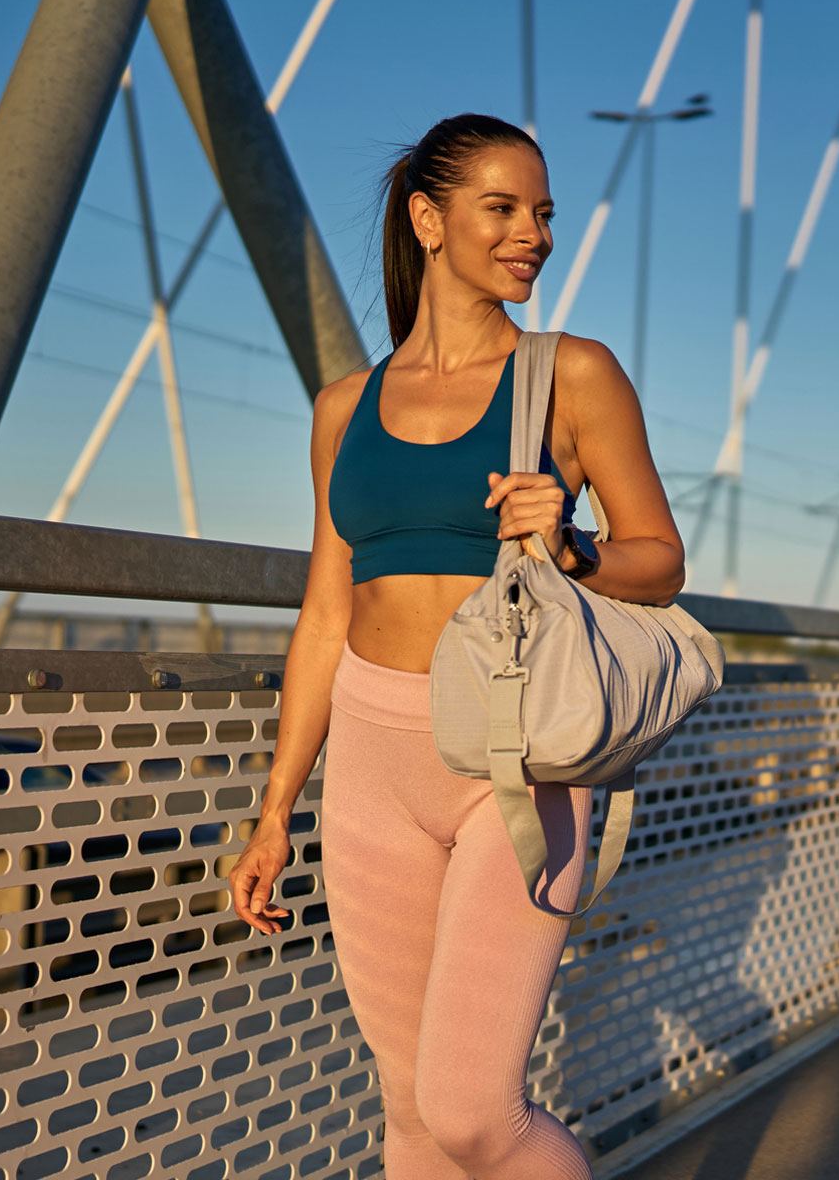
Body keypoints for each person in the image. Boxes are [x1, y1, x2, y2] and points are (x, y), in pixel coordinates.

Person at [226, 113, 686, 1180]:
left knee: (474, 1111)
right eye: (504, 209)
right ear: (429, 221)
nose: (533, 234)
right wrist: (274, 810)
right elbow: (325, 616)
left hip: (517, 763)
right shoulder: (346, 407)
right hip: (374, 768)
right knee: (409, 1110)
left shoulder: (572, 375)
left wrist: (572, 551)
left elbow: (659, 562)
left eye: (544, 214)